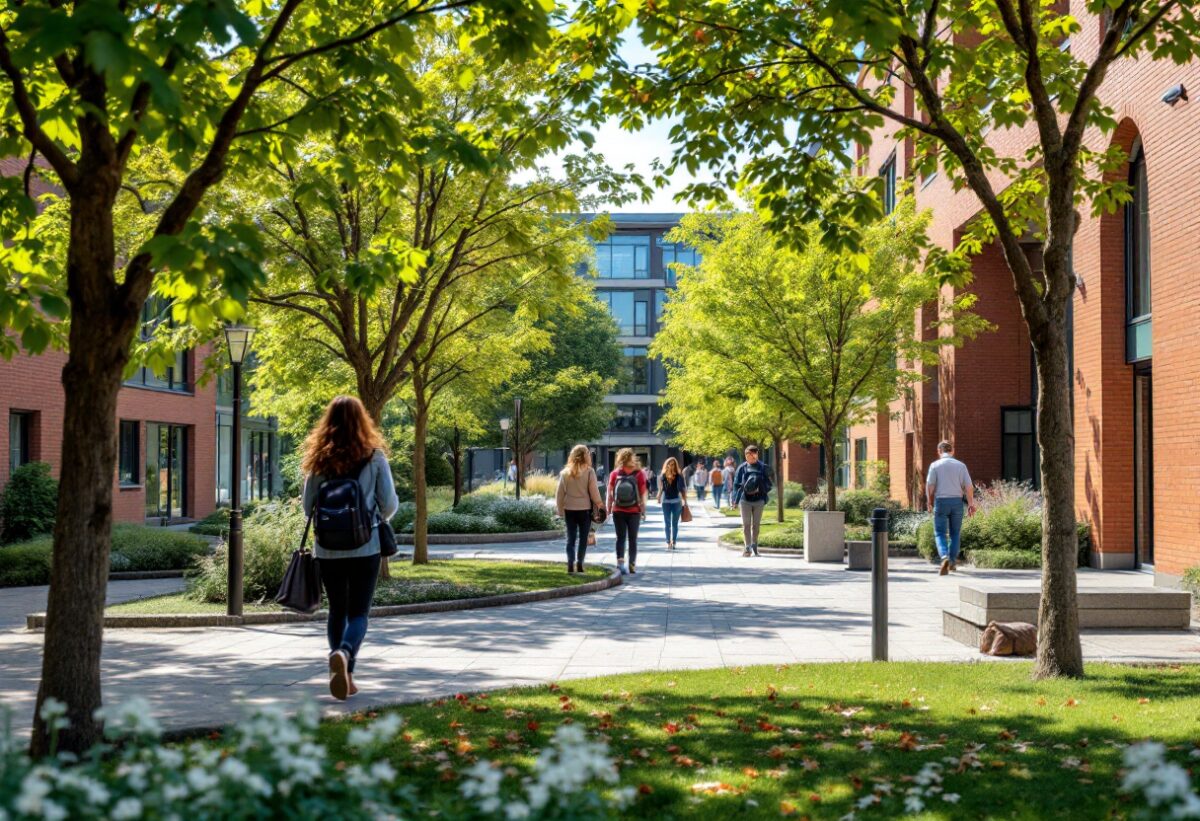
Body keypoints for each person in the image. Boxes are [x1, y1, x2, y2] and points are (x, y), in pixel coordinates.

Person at [301, 395, 399, 701]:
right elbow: (390, 504)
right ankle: (345, 655)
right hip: (364, 545)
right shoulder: (374, 457)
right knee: (359, 614)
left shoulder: (319, 461)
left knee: (337, 612)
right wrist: (371, 517)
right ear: (362, 421)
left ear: (327, 423)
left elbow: (307, 508)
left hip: (327, 548)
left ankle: (344, 673)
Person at [926, 440, 977, 575]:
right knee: (955, 534)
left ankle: (944, 557)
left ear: (939, 451)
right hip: (956, 502)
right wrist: (971, 504)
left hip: (941, 502)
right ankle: (952, 561)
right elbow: (969, 487)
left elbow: (930, 485)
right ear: (952, 451)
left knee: (940, 533)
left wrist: (929, 501)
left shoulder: (935, 465)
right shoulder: (961, 466)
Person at [555, 444, 604, 574]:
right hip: (584, 510)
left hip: (569, 509)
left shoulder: (565, 473)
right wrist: (600, 504)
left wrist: (560, 511)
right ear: (585, 455)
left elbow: (560, 494)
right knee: (583, 539)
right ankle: (580, 563)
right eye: (588, 453)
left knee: (570, 539)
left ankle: (570, 564)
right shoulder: (589, 471)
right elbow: (594, 491)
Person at [607, 448, 647, 575]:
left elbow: (609, 493)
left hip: (618, 510)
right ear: (632, 458)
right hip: (634, 510)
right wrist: (643, 510)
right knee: (633, 539)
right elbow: (643, 493)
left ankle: (620, 564)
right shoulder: (639, 473)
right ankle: (632, 565)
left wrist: (609, 508)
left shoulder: (615, 474)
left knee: (620, 538)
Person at [731, 445, 773, 557]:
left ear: (757, 454)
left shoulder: (763, 467)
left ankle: (754, 544)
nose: (751, 456)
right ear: (746, 455)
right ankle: (747, 547)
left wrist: (761, 487)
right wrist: (734, 500)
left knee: (756, 525)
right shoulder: (742, 468)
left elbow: (770, 485)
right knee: (746, 525)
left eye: (754, 454)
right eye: (748, 454)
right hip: (745, 500)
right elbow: (736, 485)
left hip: (759, 500)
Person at [658, 456, 689, 550]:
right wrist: (659, 496)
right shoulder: (668, 476)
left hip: (671, 501)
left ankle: (671, 542)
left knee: (671, 523)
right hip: (671, 502)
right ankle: (671, 542)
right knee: (671, 523)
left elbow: (682, 490)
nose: (671, 466)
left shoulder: (674, 476)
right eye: (670, 464)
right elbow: (663, 488)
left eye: (672, 464)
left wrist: (685, 501)